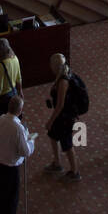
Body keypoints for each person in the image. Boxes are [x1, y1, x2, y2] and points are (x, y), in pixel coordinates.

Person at [0, 95, 35, 214]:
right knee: (10, 199)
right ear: (20, 110)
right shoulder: (18, 128)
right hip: (9, 167)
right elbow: (25, 151)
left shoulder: (1, 119)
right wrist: (31, 141)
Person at [43, 52, 82, 181]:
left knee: (67, 144)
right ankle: (57, 163)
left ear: (56, 66)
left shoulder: (63, 81)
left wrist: (50, 121)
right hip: (63, 115)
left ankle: (75, 172)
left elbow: (60, 105)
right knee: (53, 135)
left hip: (65, 118)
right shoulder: (63, 74)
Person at [0, 37, 22, 143]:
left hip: (4, 97)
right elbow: (18, 77)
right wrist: (20, 92)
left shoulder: (1, 64)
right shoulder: (15, 58)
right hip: (13, 93)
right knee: (13, 117)